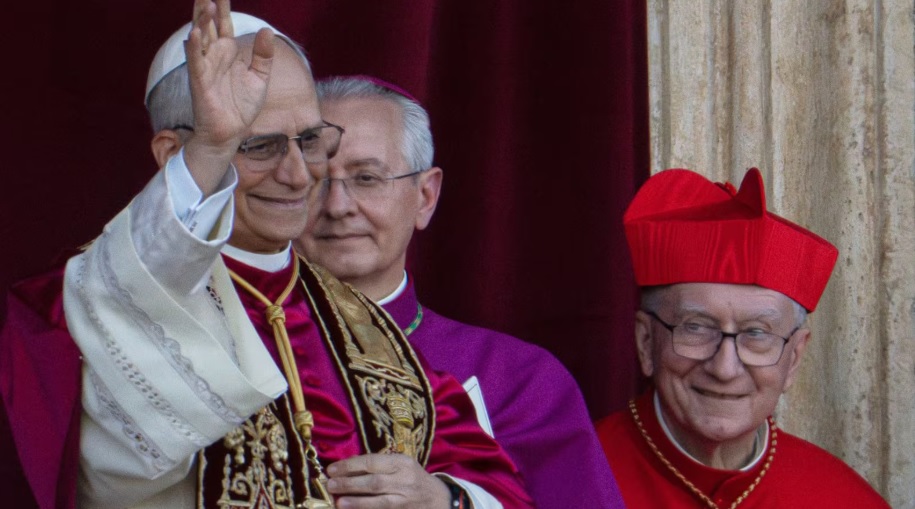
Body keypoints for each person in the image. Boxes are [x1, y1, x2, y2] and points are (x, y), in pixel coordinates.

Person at [0, 2, 534, 508]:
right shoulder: (92, 300)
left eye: (309, 139)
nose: (299, 175)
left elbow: (498, 487)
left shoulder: (369, 329)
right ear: (172, 155)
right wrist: (210, 151)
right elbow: (110, 464)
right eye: (259, 146)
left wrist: (442, 498)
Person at [295, 75, 625, 509]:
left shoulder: (520, 381)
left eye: (367, 178)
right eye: (317, 178)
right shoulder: (235, 348)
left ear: (425, 197)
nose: (337, 205)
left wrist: (451, 502)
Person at [595, 168, 890, 508]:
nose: (725, 368)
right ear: (646, 342)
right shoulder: (567, 479)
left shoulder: (844, 499)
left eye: (756, 334)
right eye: (696, 327)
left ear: (793, 357)